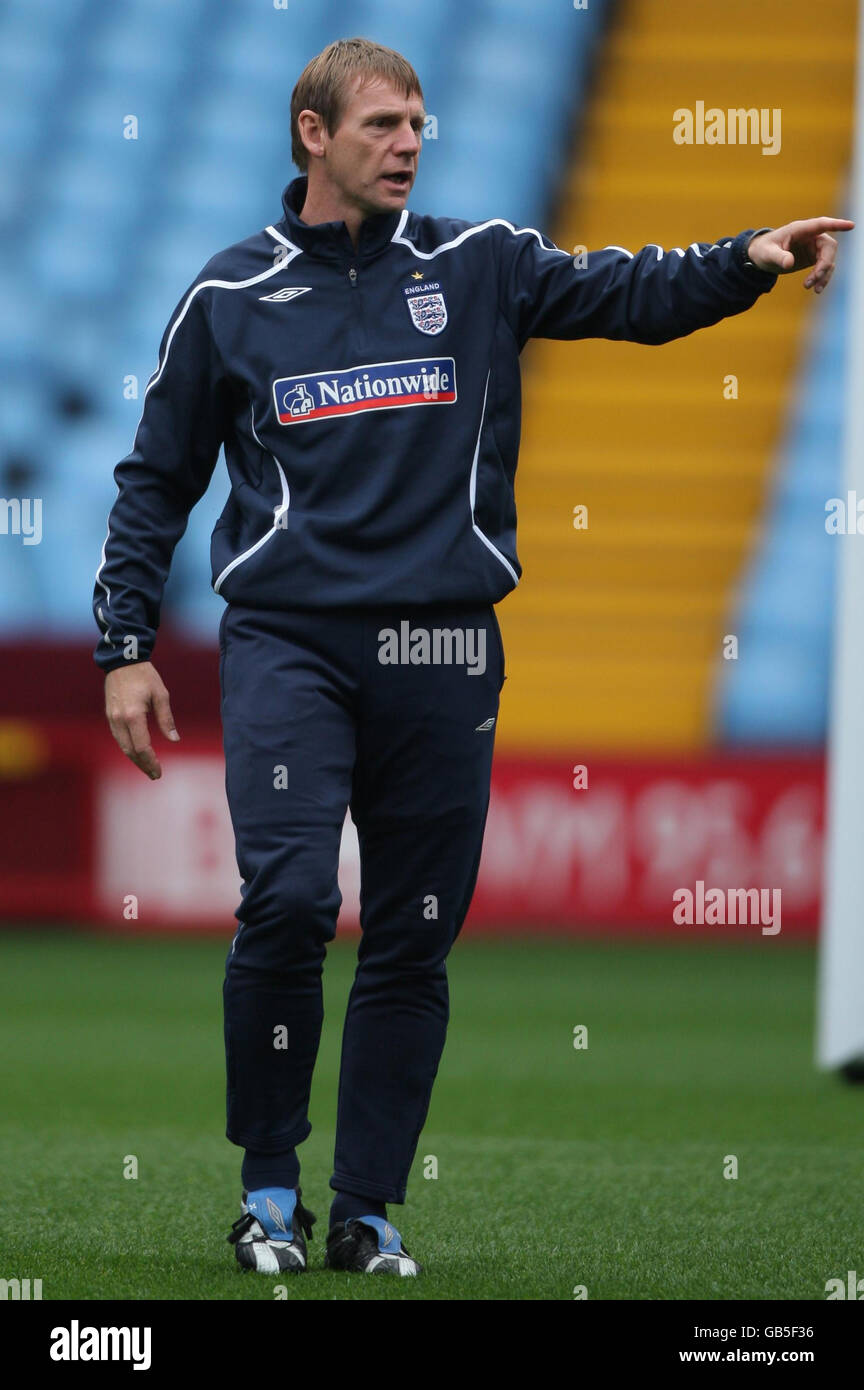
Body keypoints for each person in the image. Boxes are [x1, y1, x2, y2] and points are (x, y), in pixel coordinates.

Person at [93, 36, 851, 1278]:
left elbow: (628, 293)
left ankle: (370, 1210)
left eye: (419, 126)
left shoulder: (482, 261)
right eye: (384, 124)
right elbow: (152, 482)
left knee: (413, 933)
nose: (407, 144)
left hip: (444, 646)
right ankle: (269, 1189)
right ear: (312, 134)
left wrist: (745, 262)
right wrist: (126, 641)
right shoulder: (227, 298)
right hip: (289, 640)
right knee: (287, 903)